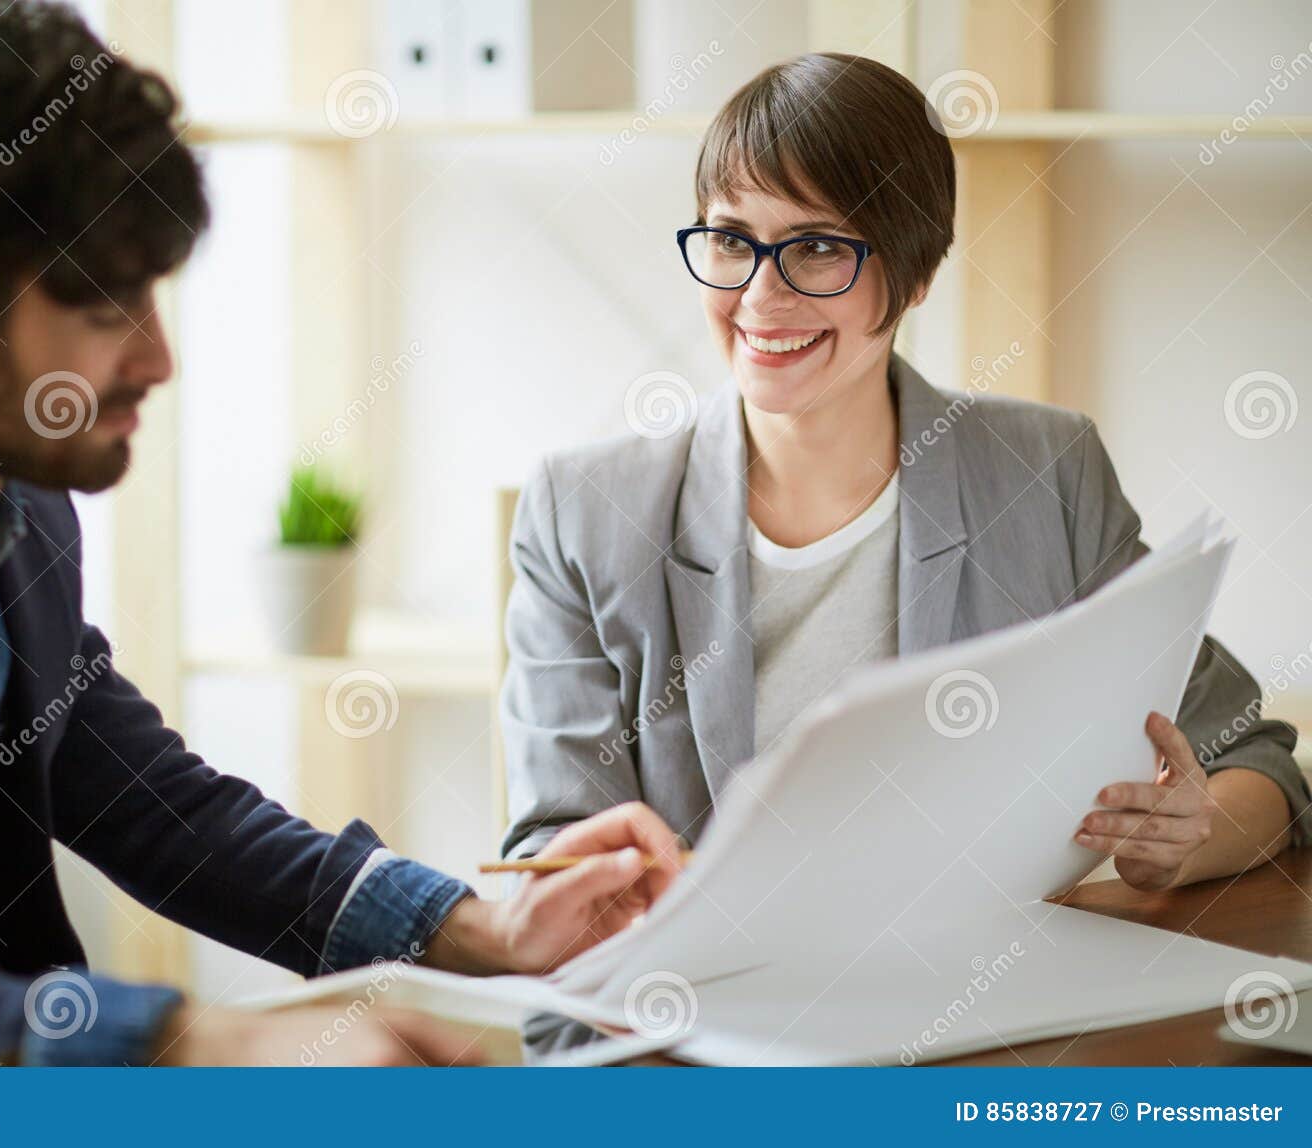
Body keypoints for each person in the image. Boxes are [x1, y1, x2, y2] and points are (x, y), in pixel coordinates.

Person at [0, 0, 685, 1067]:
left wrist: (475, 930)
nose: (159, 357)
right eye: (104, 306)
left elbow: (149, 803)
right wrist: (205, 1042)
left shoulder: (18, 506)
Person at [501, 52, 1310, 893]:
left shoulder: (1044, 477)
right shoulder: (584, 513)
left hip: (980, 1002)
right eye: (732, 240)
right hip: (701, 1006)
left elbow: (1255, 758)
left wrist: (1191, 832)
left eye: (815, 248)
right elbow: (548, 853)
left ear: (916, 272)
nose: (759, 298)